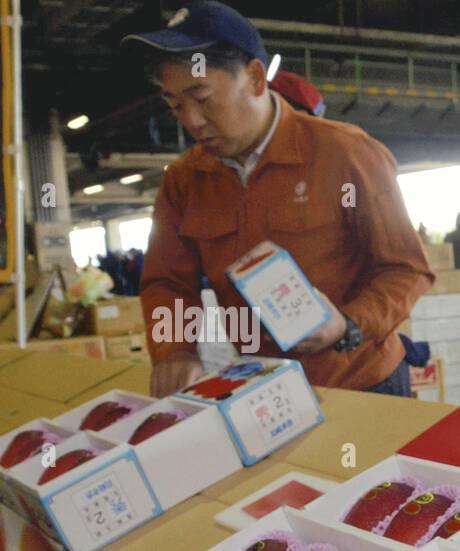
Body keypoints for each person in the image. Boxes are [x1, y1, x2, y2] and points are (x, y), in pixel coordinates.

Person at [124, 2, 433, 397]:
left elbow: (406, 270)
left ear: (255, 78)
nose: (191, 121)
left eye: (202, 98)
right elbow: (167, 282)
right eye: (175, 105)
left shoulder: (345, 154)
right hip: (262, 386)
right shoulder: (184, 181)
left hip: (360, 383)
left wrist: (348, 324)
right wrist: (175, 351)